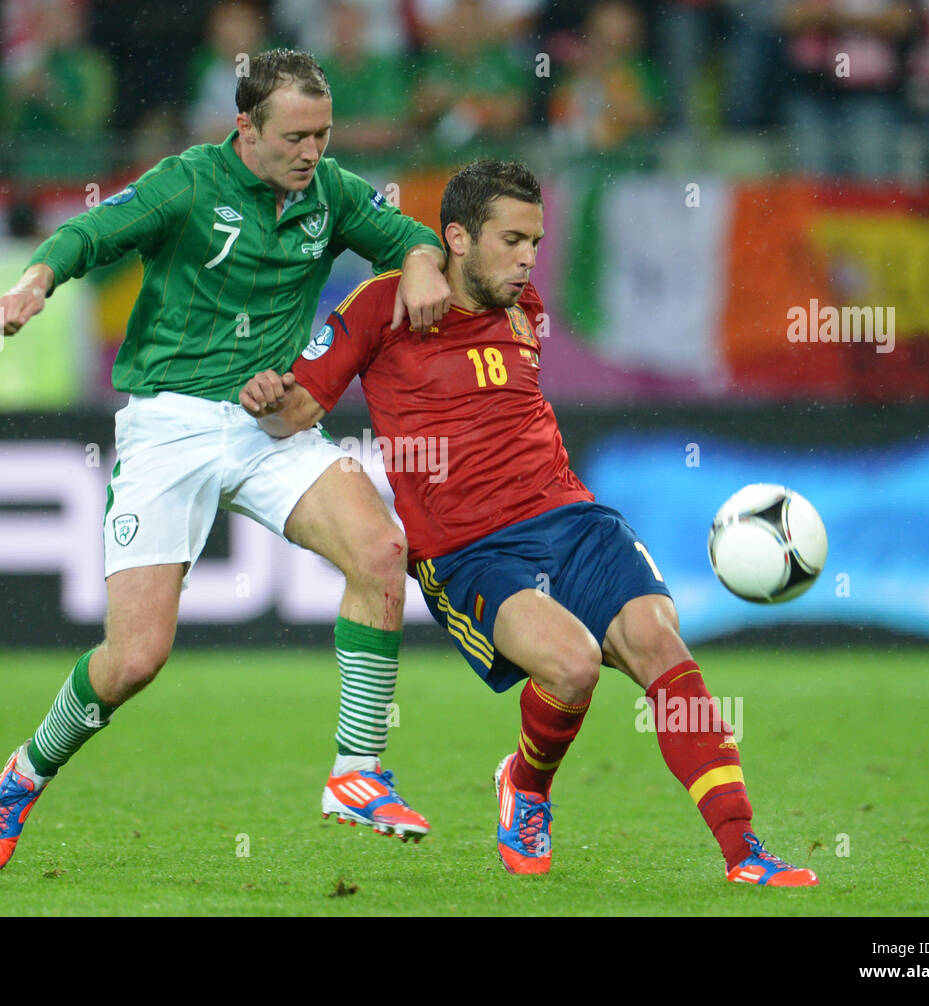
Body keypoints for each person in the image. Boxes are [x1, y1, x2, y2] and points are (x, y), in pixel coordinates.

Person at [238, 159, 819, 884]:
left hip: (571, 516)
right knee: (573, 666)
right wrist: (264, 394)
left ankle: (744, 853)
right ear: (456, 237)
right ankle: (527, 785)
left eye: (535, 243)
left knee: (660, 646)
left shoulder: (527, 308)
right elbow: (293, 413)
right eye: (511, 240)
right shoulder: (381, 306)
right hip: (469, 552)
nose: (526, 259)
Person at [0, 49, 451, 871]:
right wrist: (35, 282)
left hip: (271, 425)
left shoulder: (328, 193)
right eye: (294, 136)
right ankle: (22, 775)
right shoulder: (187, 182)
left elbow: (407, 236)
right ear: (244, 129)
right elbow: (91, 232)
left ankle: (357, 771)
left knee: (382, 551)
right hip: (171, 425)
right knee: (135, 660)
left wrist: (422, 265)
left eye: (323, 135)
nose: (311, 153)